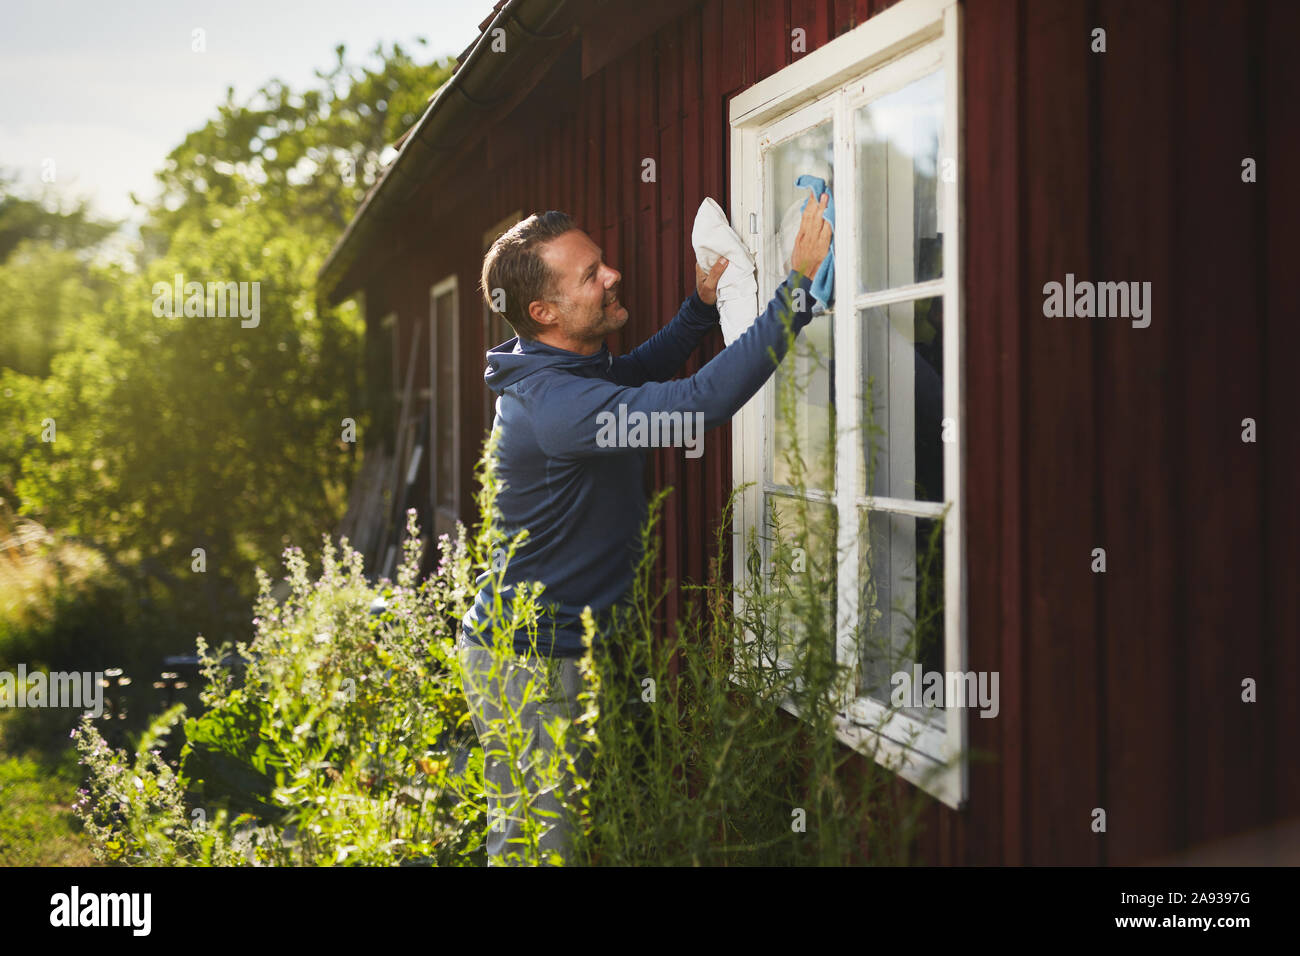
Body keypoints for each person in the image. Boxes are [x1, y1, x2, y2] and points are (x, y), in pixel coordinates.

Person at [458, 189, 832, 864]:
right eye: (590, 276)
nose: (613, 275)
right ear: (544, 312)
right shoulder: (558, 408)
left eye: (601, 261)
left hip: (555, 648)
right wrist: (796, 290)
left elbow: (633, 375)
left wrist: (699, 309)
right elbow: (699, 404)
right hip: (532, 664)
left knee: (571, 831)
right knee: (540, 849)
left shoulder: (556, 368)